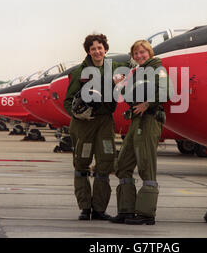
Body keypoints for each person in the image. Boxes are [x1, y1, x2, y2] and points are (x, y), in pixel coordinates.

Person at [63, 33, 127, 221]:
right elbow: (68, 101)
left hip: (105, 122)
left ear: (105, 49)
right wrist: (77, 114)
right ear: (88, 52)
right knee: (82, 163)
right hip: (83, 124)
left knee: (105, 162)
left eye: (100, 48)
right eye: (93, 49)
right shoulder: (78, 73)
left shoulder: (116, 69)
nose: (97, 51)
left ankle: (99, 209)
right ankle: (85, 208)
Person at [110, 40, 169, 225]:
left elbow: (166, 92)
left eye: (142, 52)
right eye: (136, 53)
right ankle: (126, 210)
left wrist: (147, 104)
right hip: (136, 121)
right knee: (123, 165)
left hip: (149, 120)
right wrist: (120, 85)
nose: (139, 56)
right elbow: (131, 97)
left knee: (146, 166)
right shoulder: (139, 72)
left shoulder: (157, 69)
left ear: (149, 53)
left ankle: (146, 214)